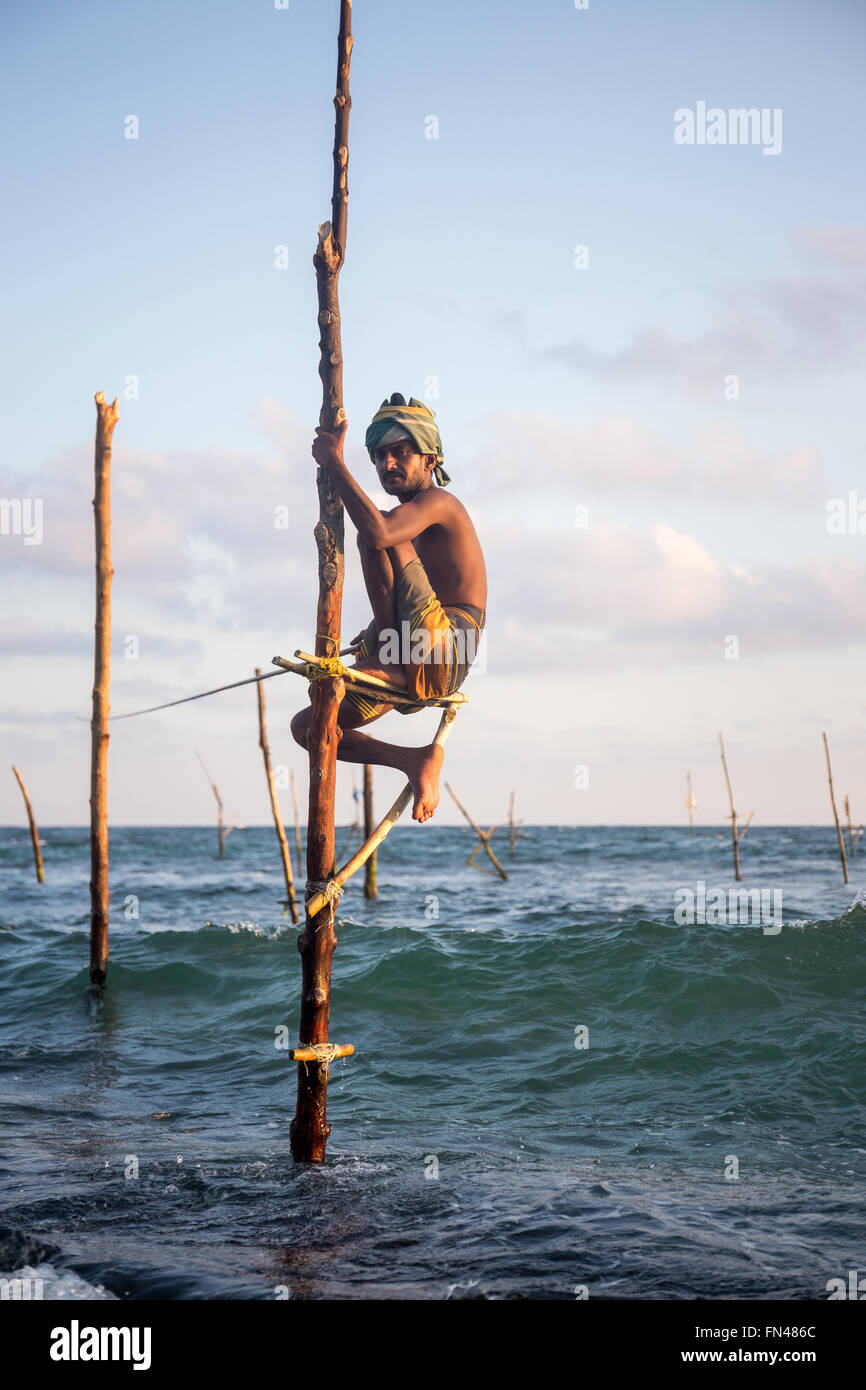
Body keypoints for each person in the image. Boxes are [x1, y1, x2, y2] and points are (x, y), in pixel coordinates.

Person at [291, 393, 487, 823]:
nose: (388, 465)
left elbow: (378, 534)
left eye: (401, 453)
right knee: (309, 725)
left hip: (444, 650)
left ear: (430, 460)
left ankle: (388, 657)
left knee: (374, 530)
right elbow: (409, 585)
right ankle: (414, 760)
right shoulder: (408, 528)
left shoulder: (439, 504)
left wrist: (335, 464)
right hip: (416, 655)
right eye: (379, 456)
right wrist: (376, 630)